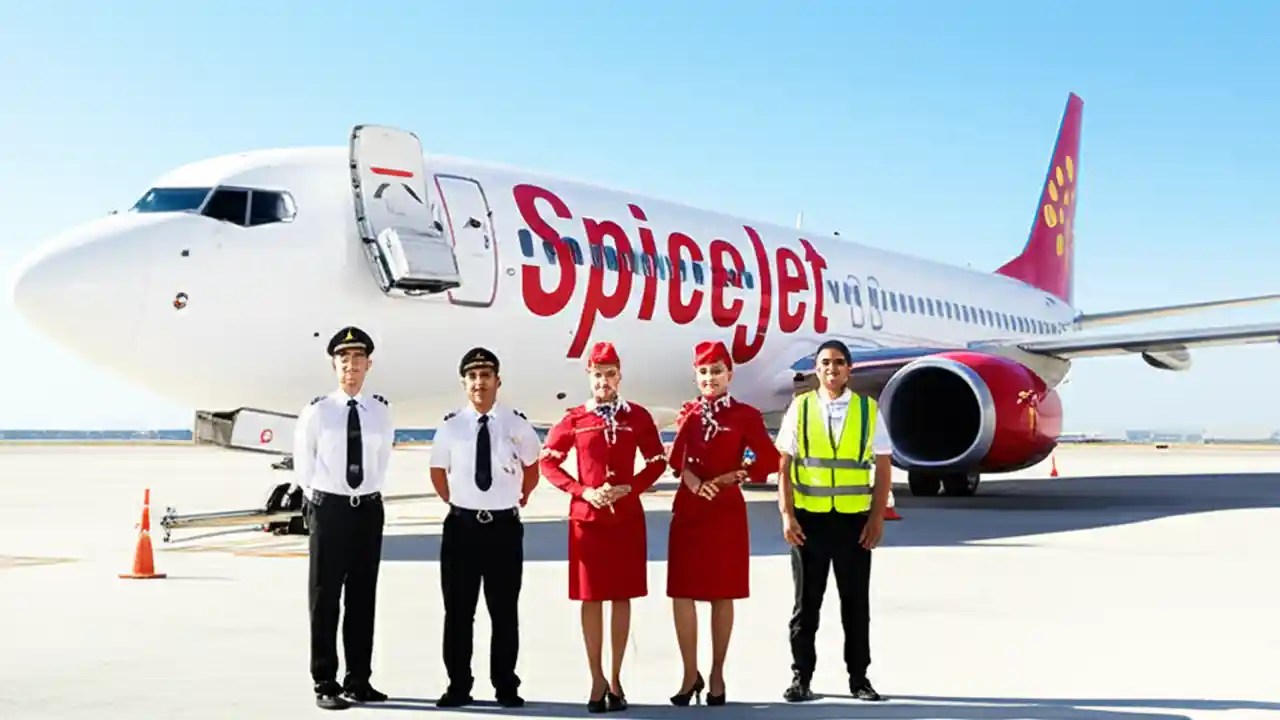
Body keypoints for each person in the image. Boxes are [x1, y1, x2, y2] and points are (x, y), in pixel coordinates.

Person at [539, 341, 668, 713]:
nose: (604, 381)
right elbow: (549, 463)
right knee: (590, 598)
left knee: (622, 596)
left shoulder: (638, 417)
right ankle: (595, 678)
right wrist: (582, 491)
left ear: (619, 376)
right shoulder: (575, 418)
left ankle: (615, 677)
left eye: (610, 374)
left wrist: (633, 487)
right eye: (598, 374)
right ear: (589, 376)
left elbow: (658, 461)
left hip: (626, 519)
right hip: (588, 522)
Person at [665, 340, 782, 707]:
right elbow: (674, 459)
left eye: (717, 371)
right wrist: (689, 478)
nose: (710, 378)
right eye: (703, 372)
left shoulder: (745, 415)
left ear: (729, 375)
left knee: (721, 593)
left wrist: (736, 473)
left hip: (725, 509)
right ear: (695, 376)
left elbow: (767, 458)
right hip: (689, 507)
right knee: (681, 592)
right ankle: (689, 674)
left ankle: (716, 673)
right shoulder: (688, 414)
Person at [775, 338, 891, 703]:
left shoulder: (868, 410)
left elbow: (883, 466)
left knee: (855, 604)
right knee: (806, 605)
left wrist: (876, 517)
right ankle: (801, 677)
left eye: (838, 363)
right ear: (817, 368)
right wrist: (786, 513)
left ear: (849, 369)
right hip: (809, 523)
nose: (831, 369)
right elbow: (784, 464)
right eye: (825, 363)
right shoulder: (801, 407)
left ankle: (859, 678)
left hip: (854, 523)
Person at [428, 346, 542, 709]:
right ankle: (458, 685)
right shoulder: (450, 426)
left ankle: (505, 684)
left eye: (486, 376)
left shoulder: (515, 423)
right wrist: (459, 503)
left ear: (498, 381)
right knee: (459, 612)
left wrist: (519, 495)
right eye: (473, 377)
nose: (480, 383)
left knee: (504, 610)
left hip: (503, 530)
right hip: (462, 529)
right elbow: (437, 472)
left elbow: (532, 465)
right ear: (465, 383)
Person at [292, 325, 395, 710]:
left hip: (367, 510)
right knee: (324, 598)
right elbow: (305, 464)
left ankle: (359, 679)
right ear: (334, 365)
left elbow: (383, 458)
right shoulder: (319, 411)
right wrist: (320, 503)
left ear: (369, 364)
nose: (351, 366)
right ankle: (325, 682)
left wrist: (365, 494)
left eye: (358, 359)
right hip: (329, 509)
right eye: (343, 359)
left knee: (363, 598)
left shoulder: (381, 411)